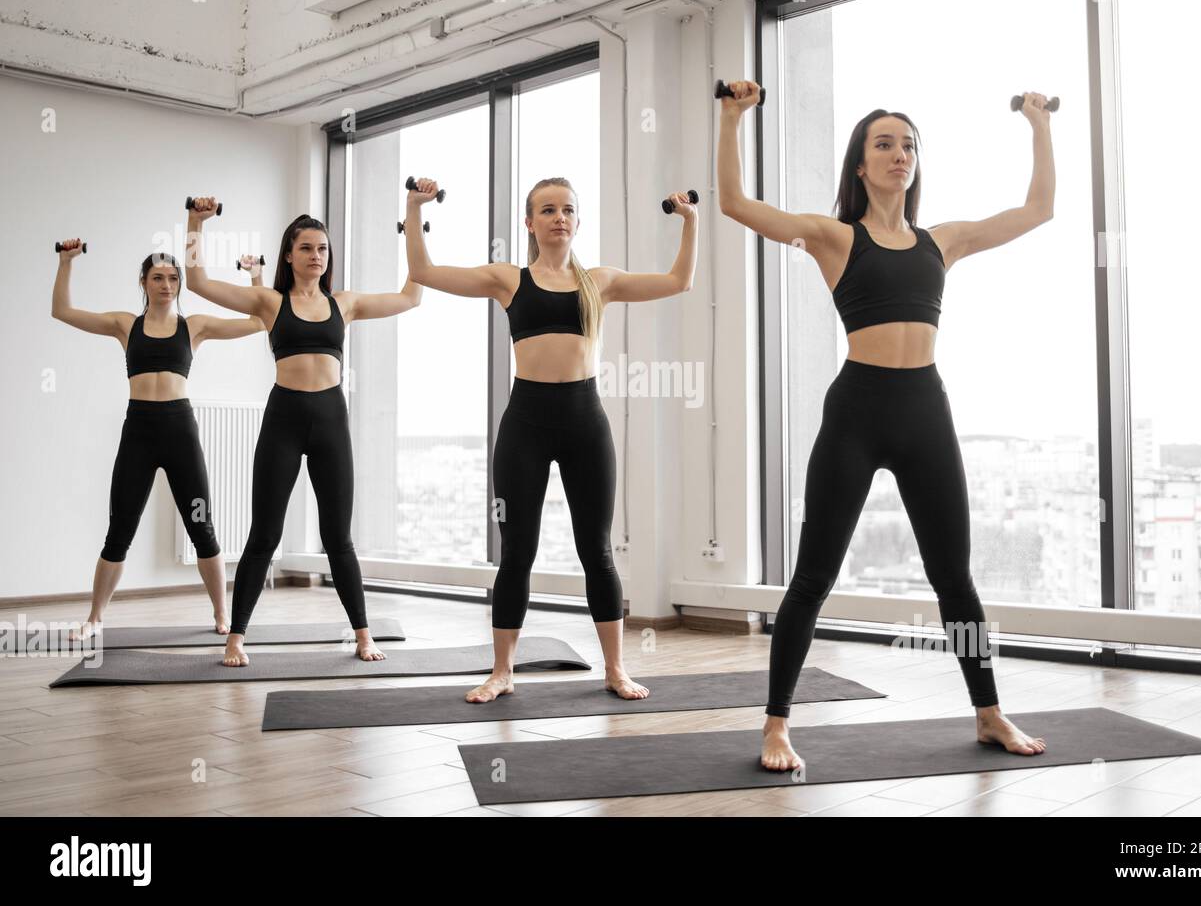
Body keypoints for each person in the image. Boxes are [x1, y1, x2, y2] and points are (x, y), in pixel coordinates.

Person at [717, 80, 1056, 770]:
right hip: (857, 412)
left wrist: (1038, 124)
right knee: (813, 577)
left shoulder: (944, 241)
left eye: (908, 145)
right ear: (861, 165)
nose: (899, 154)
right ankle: (776, 724)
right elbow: (734, 204)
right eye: (884, 144)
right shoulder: (835, 238)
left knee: (953, 578)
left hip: (925, 410)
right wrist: (731, 119)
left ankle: (989, 713)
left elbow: (1038, 210)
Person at [404, 176, 697, 703]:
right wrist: (414, 206)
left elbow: (679, 281)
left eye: (567, 210)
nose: (558, 217)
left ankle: (615, 669)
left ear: (577, 221)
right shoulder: (507, 279)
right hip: (526, 424)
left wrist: (691, 222)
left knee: (597, 551)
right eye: (547, 210)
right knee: (518, 552)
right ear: (530, 222)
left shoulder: (600, 282)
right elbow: (423, 272)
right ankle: (502, 672)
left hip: (585, 422)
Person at [183, 199, 422, 666]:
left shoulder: (344, 304)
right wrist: (196, 223)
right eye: (307, 247)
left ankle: (362, 634)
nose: (316, 255)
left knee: (339, 538)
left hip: (332, 419)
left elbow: (411, 297)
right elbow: (198, 281)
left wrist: (413, 224)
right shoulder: (269, 303)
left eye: (323, 248)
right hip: (285, 419)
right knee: (264, 534)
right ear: (288, 256)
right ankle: (236, 636)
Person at [51, 242, 267, 639]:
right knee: (119, 530)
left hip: (180, 432)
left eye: (172, 278)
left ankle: (222, 615)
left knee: (202, 525)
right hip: (139, 432)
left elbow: (258, 321)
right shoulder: (124, 325)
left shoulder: (195, 326)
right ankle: (95, 618)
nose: (166, 284)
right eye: (158, 278)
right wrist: (66, 264)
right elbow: (62, 311)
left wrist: (254, 275)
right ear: (144, 283)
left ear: (179, 284)